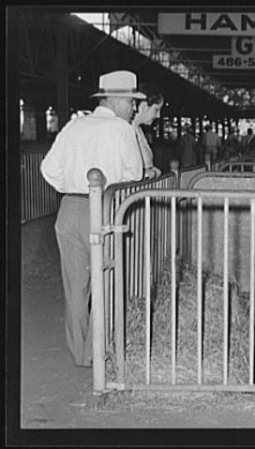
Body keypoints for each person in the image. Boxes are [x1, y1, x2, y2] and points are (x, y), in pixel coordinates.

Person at [40, 70, 146, 367]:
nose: (134, 108)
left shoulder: (74, 126)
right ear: (113, 99)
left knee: (76, 287)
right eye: (130, 101)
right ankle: (98, 353)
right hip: (104, 209)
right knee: (106, 281)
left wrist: (70, 187)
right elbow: (133, 175)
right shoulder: (122, 131)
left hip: (69, 210)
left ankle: (80, 354)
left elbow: (48, 169)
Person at [132, 83, 163, 178]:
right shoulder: (126, 130)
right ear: (144, 106)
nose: (158, 116)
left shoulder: (138, 130)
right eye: (156, 110)